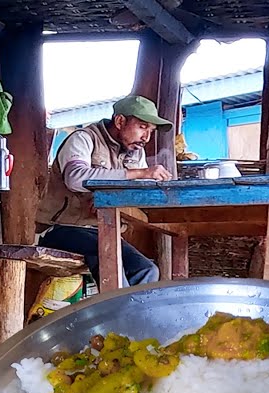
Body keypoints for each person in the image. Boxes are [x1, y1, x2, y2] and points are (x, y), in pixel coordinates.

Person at [36, 94, 174, 287]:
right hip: (62, 228)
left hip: (103, 232)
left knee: (146, 270)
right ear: (120, 121)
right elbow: (75, 177)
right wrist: (137, 173)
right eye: (142, 127)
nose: (147, 137)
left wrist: (110, 198)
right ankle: (119, 316)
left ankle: (132, 316)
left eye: (151, 130)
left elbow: (138, 191)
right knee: (112, 262)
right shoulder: (83, 138)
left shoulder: (136, 152)